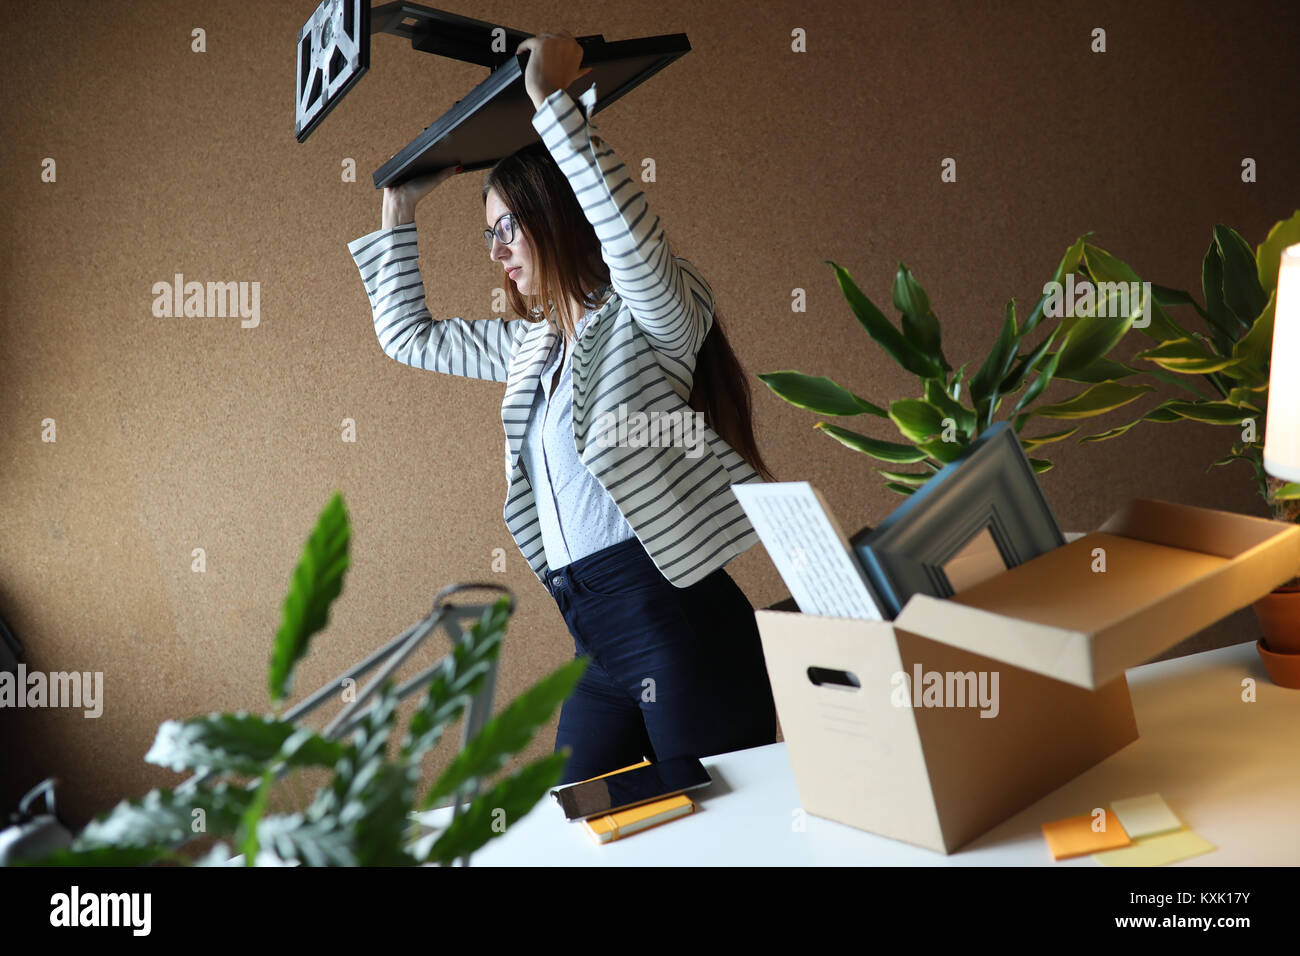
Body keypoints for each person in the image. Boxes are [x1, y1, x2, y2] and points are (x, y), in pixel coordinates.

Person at [346, 30, 778, 784]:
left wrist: (552, 109)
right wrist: (400, 206)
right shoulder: (531, 348)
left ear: (557, 215)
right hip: (596, 639)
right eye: (488, 234)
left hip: (677, 625)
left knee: (723, 830)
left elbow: (632, 242)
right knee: (575, 813)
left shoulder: (656, 314)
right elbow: (407, 337)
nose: (496, 249)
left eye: (509, 225)